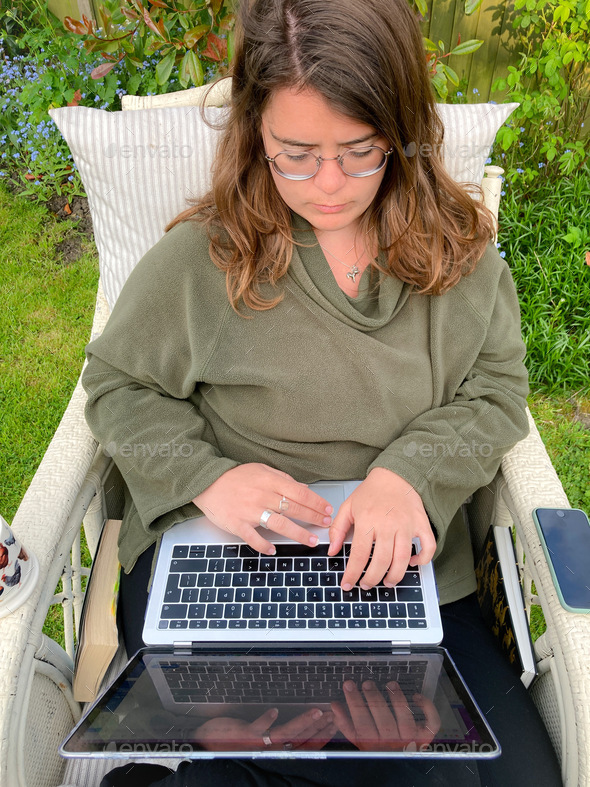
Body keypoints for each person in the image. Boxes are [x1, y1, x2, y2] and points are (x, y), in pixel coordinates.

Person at [81, 0, 562, 784]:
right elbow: (114, 384)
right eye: (295, 154)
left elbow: (499, 389)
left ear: (403, 133)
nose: (329, 184)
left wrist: (412, 472)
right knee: (394, 770)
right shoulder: (201, 260)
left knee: (512, 774)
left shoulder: (462, 259)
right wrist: (208, 478)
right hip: (237, 566)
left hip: (405, 573)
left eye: (360, 151)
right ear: (254, 133)